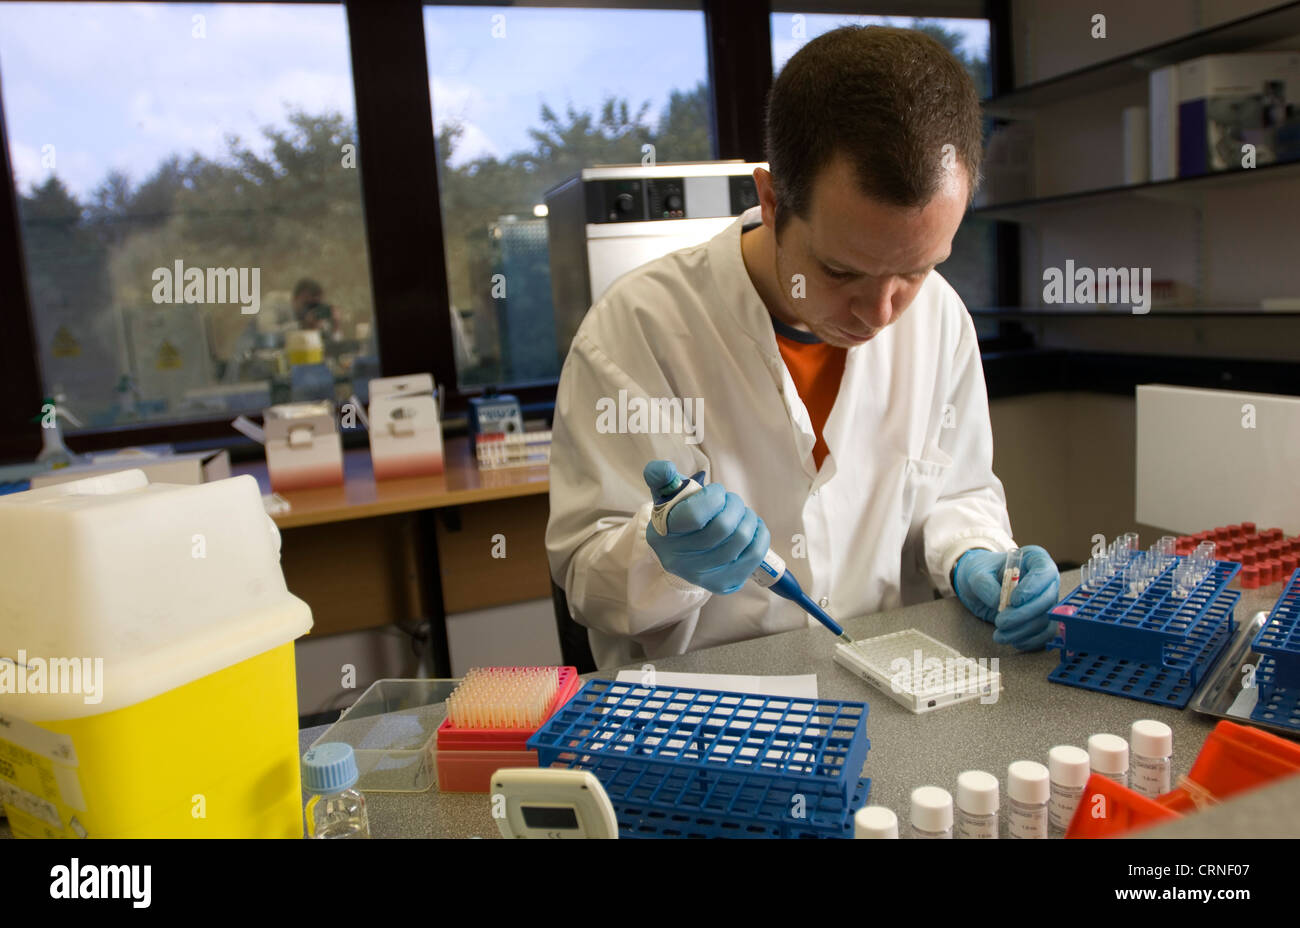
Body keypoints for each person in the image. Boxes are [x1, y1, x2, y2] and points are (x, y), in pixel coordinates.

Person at [546, 26, 1060, 668]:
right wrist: (664, 556)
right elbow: (586, 581)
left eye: (917, 268)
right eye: (842, 271)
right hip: (704, 715)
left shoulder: (942, 318)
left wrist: (976, 556)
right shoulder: (637, 327)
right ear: (771, 199)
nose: (881, 313)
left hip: (883, 687)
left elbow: (955, 494)